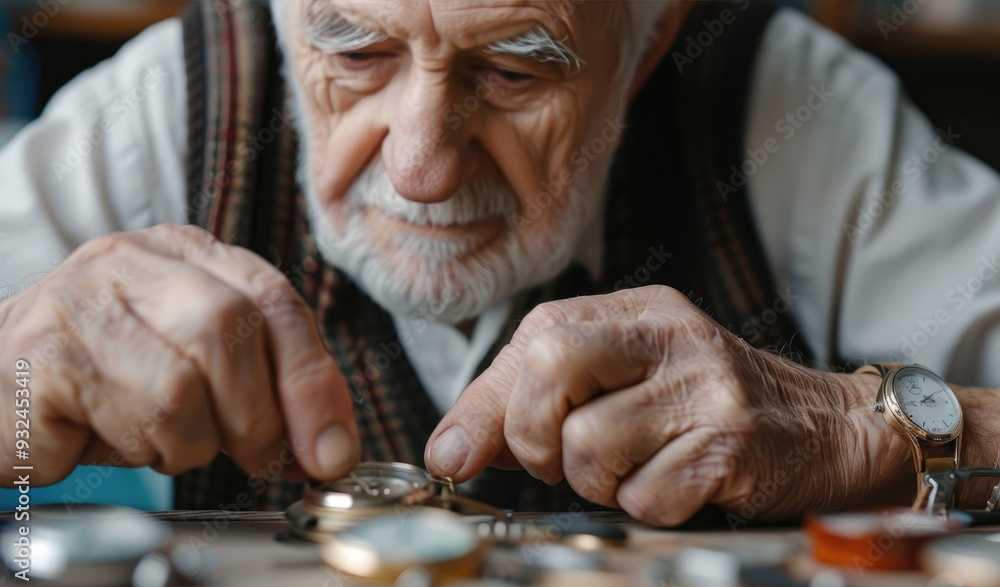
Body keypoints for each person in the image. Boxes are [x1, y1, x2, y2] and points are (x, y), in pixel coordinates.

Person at [1, 0, 998, 524]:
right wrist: (12, 395)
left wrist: (856, 431)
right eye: (357, 54)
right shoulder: (172, 104)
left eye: (515, 71)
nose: (421, 169)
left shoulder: (790, 108)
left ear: (652, 37)